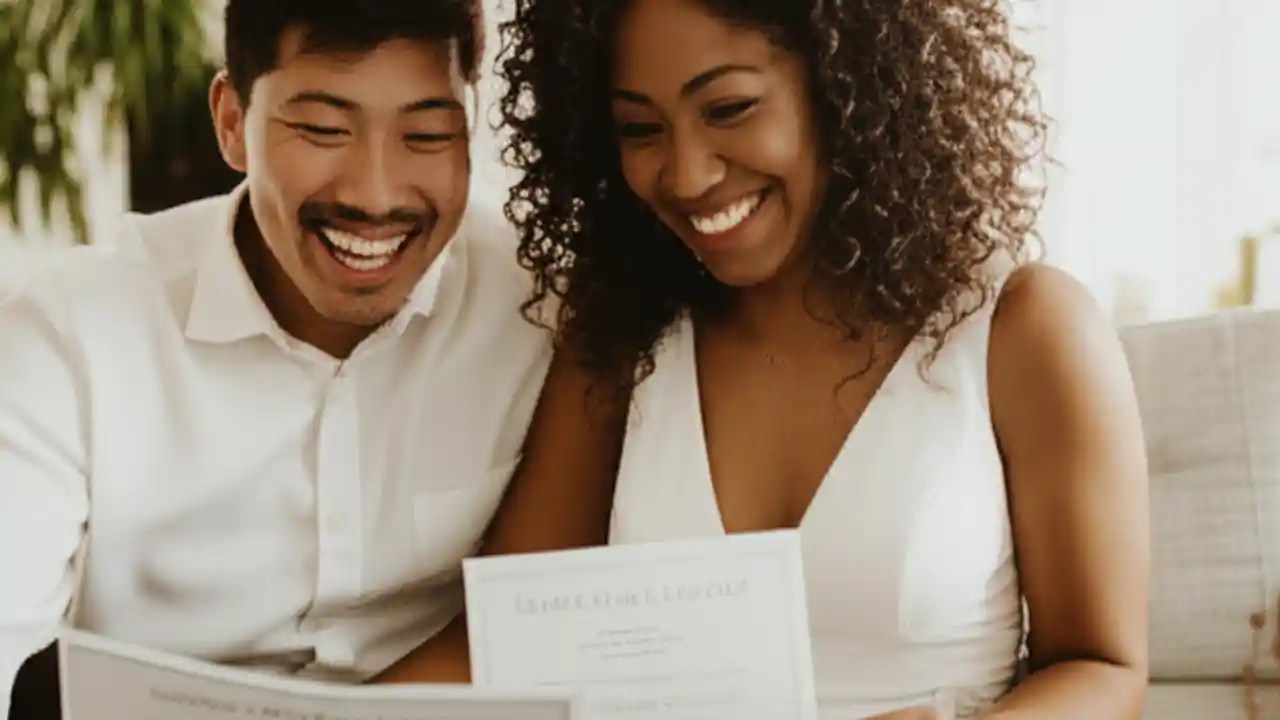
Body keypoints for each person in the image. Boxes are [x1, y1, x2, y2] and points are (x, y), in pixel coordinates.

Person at [382, 0, 1151, 718]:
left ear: (848, 86)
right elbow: (503, 639)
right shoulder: (621, 339)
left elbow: (1103, 667)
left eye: (729, 109)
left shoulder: (1024, 328)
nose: (685, 174)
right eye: (639, 129)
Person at [0, 1, 552, 716]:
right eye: (322, 129)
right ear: (232, 121)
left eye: (426, 133)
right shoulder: (71, 334)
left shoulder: (540, 306)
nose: (374, 193)